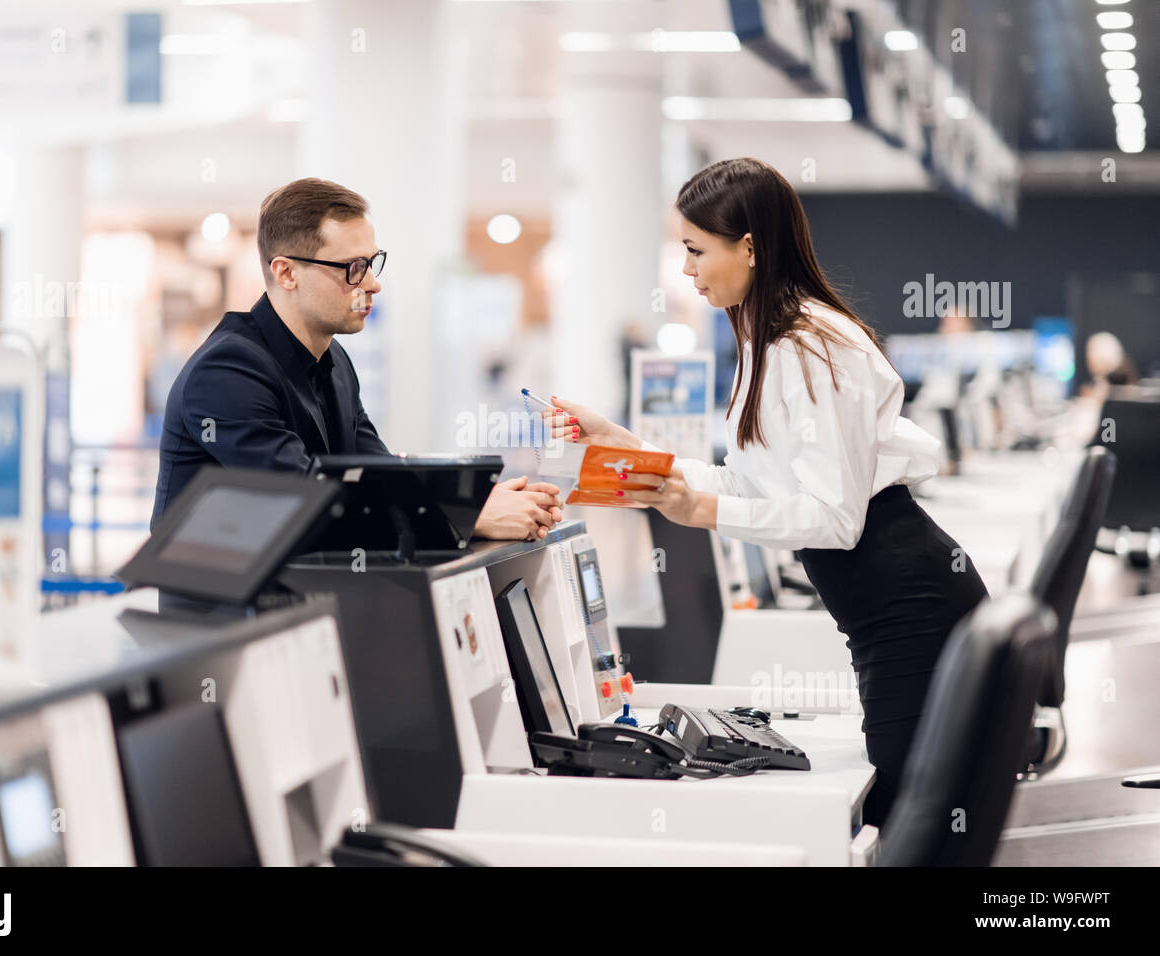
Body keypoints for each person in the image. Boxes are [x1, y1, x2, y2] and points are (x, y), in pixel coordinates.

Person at [544, 158, 989, 827]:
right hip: (883, 612)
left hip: (910, 611)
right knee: (897, 811)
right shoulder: (767, 340)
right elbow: (750, 482)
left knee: (906, 821)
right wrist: (620, 443)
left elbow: (834, 520)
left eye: (695, 251)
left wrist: (705, 511)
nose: (687, 271)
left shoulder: (808, 345)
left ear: (748, 246)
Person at [152, 177, 563, 542]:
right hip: (214, 618)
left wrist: (476, 500)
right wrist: (467, 518)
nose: (373, 283)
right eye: (352, 267)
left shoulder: (336, 362)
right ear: (286, 273)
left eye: (371, 263)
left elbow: (379, 476)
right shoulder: (227, 373)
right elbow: (303, 502)